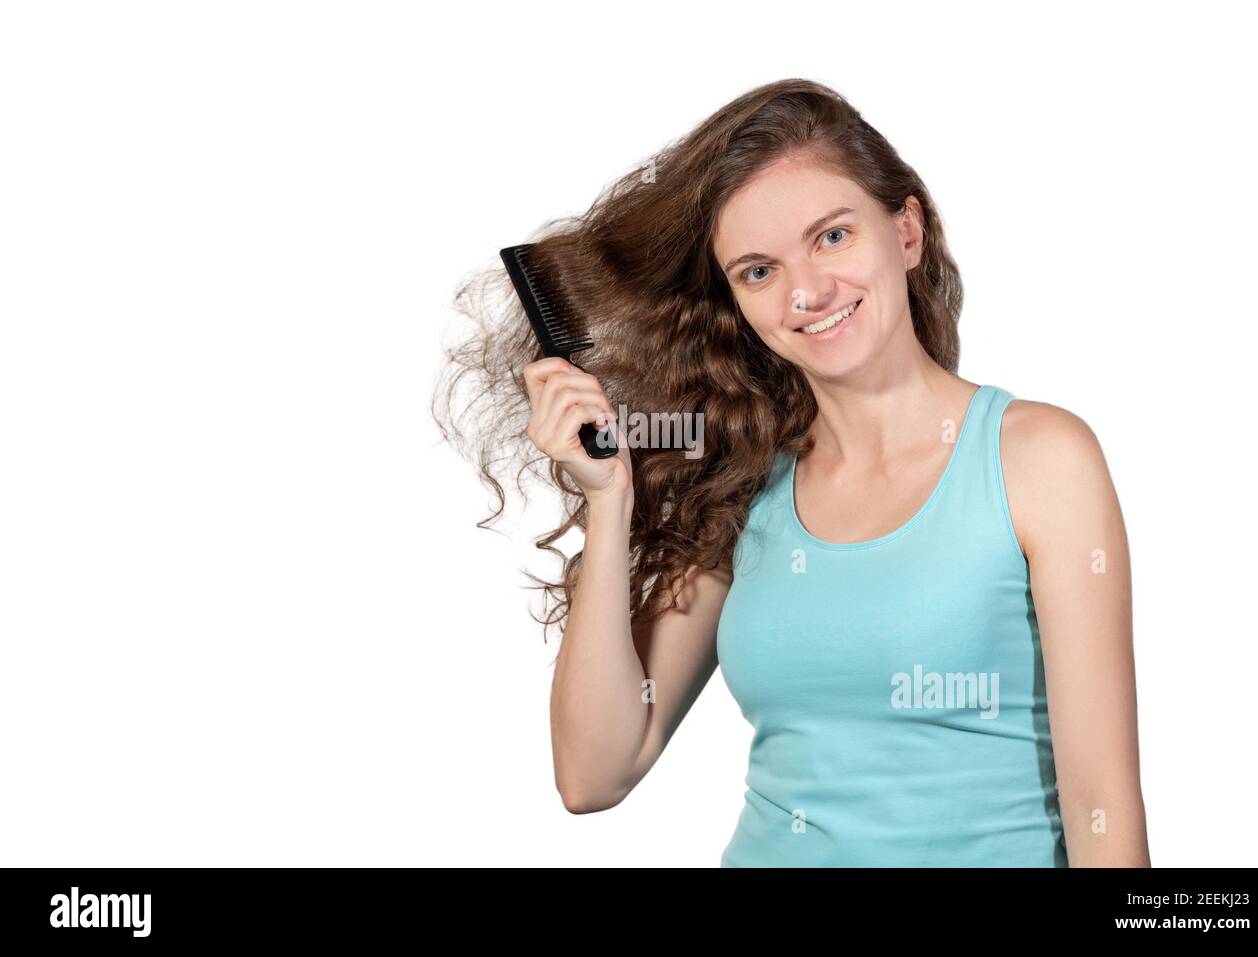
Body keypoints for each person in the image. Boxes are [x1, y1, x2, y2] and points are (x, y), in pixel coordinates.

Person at [433, 78, 1149, 866]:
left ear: (905, 231)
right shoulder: (745, 481)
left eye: (832, 236)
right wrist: (610, 499)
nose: (807, 291)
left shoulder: (1037, 459)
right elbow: (595, 772)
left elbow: (1102, 812)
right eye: (758, 271)